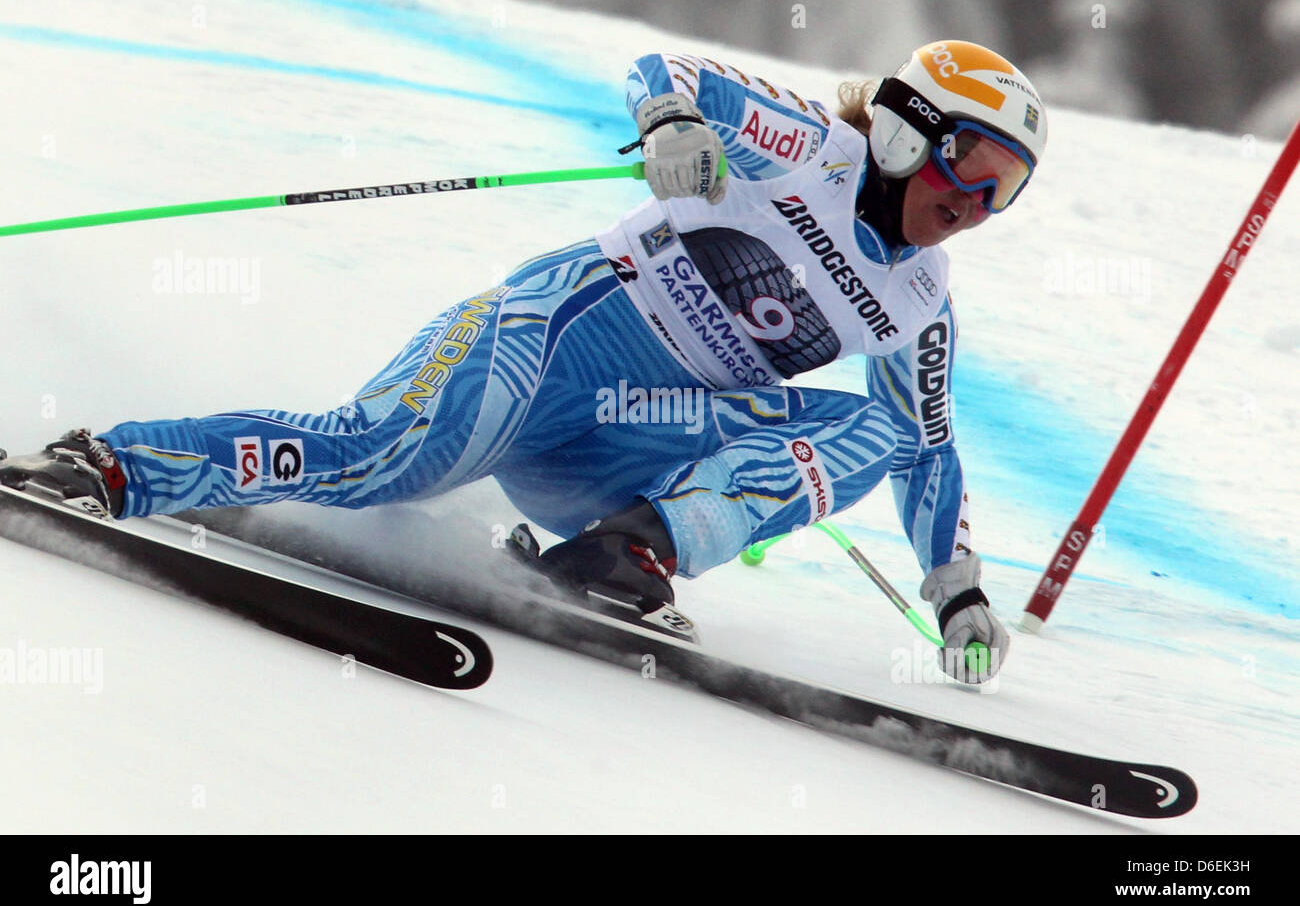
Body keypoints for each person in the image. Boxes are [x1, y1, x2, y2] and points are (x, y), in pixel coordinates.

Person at [1, 40, 1046, 682]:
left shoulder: (919, 298)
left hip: (630, 440)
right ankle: (109, 464)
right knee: (381, 458)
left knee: (886, 422)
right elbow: (669, 70)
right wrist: (674, 121)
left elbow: (925, 448)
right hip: (549, 342)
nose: (976, 202)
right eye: (972, 160)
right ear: (908, 130)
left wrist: (955, 592)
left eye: (1007, 189)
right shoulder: (812, 143)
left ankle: (624, 554)